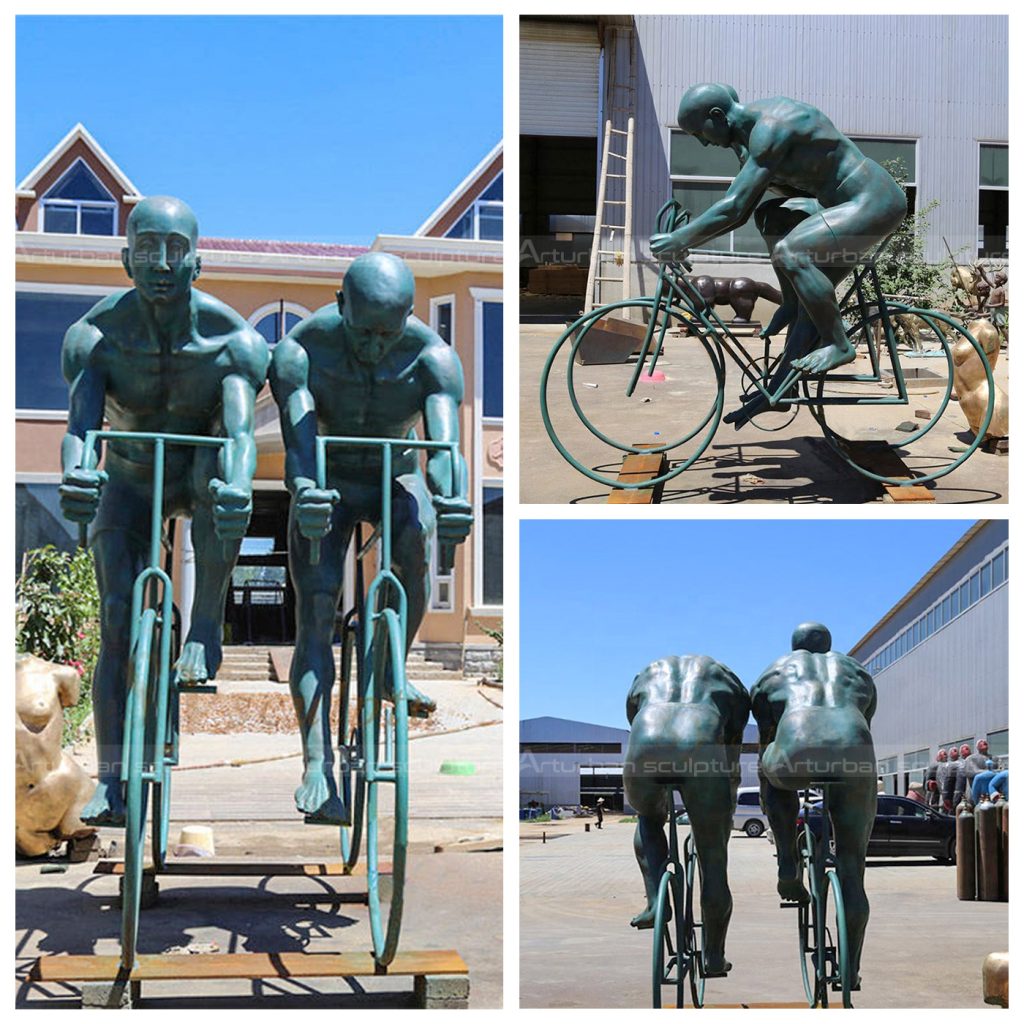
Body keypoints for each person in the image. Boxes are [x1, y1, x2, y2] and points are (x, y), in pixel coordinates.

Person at [59, 196, 269, 826]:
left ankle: (205, 625)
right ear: (126, 259)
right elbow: (81, 431)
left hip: (195, 472)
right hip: (128, 479)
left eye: (176, 250)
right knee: (115, 624)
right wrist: (75, 473)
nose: (161, 263)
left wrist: (239, 486)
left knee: (219, 481)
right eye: (147, 249)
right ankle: (111, 778)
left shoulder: (234, 342)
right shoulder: (94, 339)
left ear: (197, 262)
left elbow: (239, 435)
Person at [269, 251, 473, 823]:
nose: (375, 348)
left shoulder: (433, 358)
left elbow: (443, 451)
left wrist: (453, 498)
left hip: (394, 474)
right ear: (341, 306)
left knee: (418, 531)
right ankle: (316, 766)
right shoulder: (300, 351)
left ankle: (390, 667)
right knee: (315, 609)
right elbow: (298, 445)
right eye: (363, 332)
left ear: (409, 315)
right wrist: (304, 491)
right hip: (327, 476)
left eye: (389, 333)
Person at [651, 83, 907, 428]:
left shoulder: (772, 126)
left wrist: (680, 239)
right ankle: (780, 390)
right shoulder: (748, 144)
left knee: (791, 252)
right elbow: (747, 206)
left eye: (699, 133)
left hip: (872, 200)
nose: (703, 143)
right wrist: (687, 237)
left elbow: (734, 209)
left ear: (717, 116)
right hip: (837, 204)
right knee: (771, 218)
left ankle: (838, 343)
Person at [750, 622, 877, 992]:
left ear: (795, 647)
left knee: (768, 770)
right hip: (854, 750)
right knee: (852, 869)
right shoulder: (857, 672)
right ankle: (851, 970)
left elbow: (767, 735)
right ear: (829, 645)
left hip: (796, 748)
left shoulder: (774, 671)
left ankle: (787, 863)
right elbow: (864, 720)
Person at [623, 654, 750, 977]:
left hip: (647, 741)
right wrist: (725, 800)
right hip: (701, 747)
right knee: (713, 857)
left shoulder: (647, 673)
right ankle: (714, 956)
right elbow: (732, 747)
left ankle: (656, 902)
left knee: (649, 818)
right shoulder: (727, 680)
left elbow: (633, 717)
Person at [942, 746, 962, 812]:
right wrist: (946, 797)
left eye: (956, 750)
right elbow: (947, 781)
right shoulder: (949, 765)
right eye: (953, 750)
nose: (955, 751)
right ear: (950, 754)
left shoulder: (961, 763)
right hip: (953, 795)